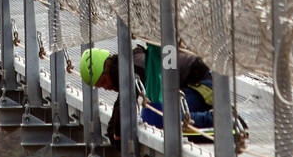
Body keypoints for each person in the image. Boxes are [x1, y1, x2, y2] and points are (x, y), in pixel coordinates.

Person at [79, 44, 215, 142]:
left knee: (159, 119)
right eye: (101, 87)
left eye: (103, 81)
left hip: (203, 86)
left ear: (108, 69)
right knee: (154, 116)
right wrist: (113, 132)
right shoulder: (128, 64)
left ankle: (216, 119)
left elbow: (124, 104)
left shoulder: (134, 69)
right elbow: (121, 105)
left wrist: (116, 133)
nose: (106, 87)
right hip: (189, 87)